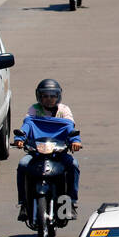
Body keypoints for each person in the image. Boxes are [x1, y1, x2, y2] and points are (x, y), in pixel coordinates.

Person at [14, 79, 81, 222]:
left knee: (73, 165)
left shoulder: (64, 110)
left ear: (58, 96)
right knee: (22, 165)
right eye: (45, 96)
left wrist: (75, 141)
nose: (49, 99)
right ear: (39, 96)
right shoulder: (33, 109)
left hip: (58, 153)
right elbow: (26, 126)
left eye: (52, 96)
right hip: (36, 153)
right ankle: (23, 204)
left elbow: (70, 128)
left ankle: (71, 203)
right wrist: (20, 138)